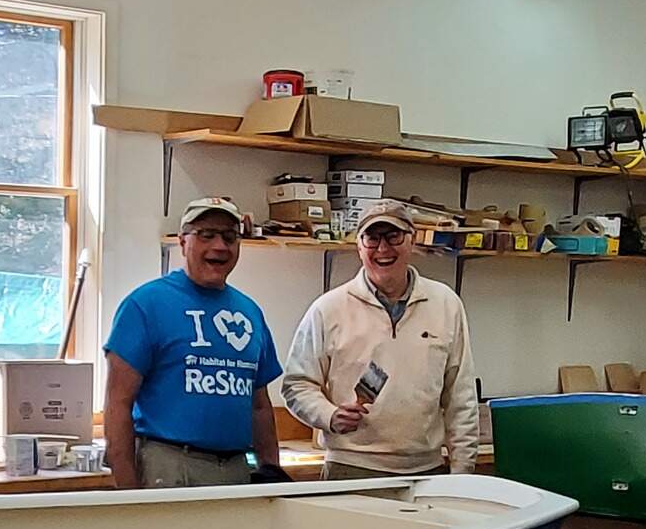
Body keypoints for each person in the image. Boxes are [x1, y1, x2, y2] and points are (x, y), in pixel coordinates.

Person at [281, 200, 478, 479]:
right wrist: (329, 415)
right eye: (372, 238)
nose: (383, 249)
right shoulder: (328, 309)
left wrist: (463, 474)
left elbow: (461, 397)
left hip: (426, 472)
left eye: (393, 236)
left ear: (412, 240)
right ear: (359, 246)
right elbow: (296, 385)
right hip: (349, 470)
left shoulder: (446, 304)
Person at [104, 197, 283, 488]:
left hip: (238, 468)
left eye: (229, 237)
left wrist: (273, 471)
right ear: (182, 241)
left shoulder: (250, 312)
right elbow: (117, 404)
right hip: (170, 465)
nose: (219, 246)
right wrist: (129, 494)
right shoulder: (145, 305)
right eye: (206, 235)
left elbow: (260, 406)